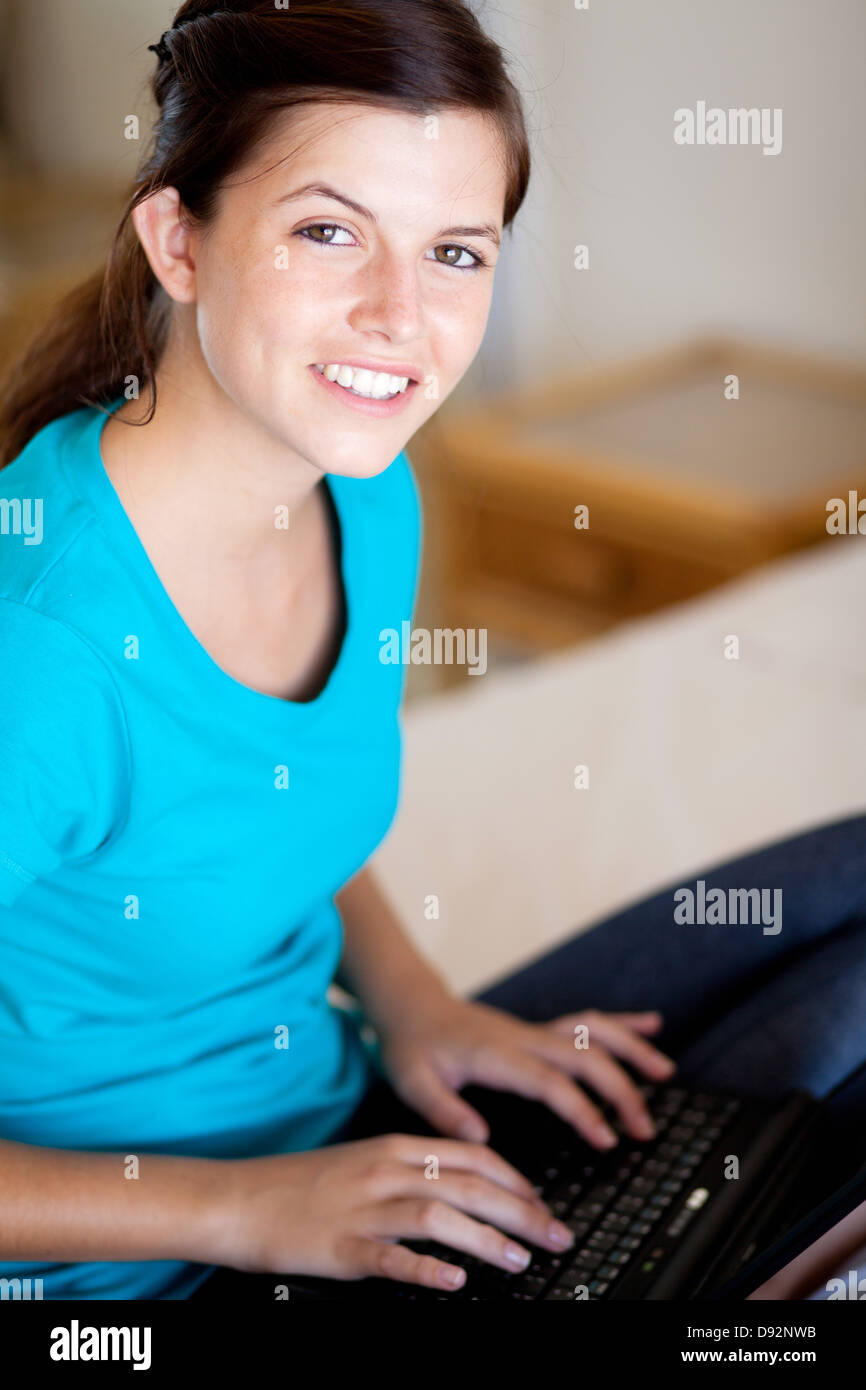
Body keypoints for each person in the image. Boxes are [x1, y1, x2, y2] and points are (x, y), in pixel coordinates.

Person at [0, 0, 862, 1304]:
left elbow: (278, 807)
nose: (401, 319)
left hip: (349, 1125)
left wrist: (417, 1010)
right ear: (177, 238)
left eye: (455, 251)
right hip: (139, 1281)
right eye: (328, 231)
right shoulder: (41, 654)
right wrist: (256, 1210)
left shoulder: (365, 490)